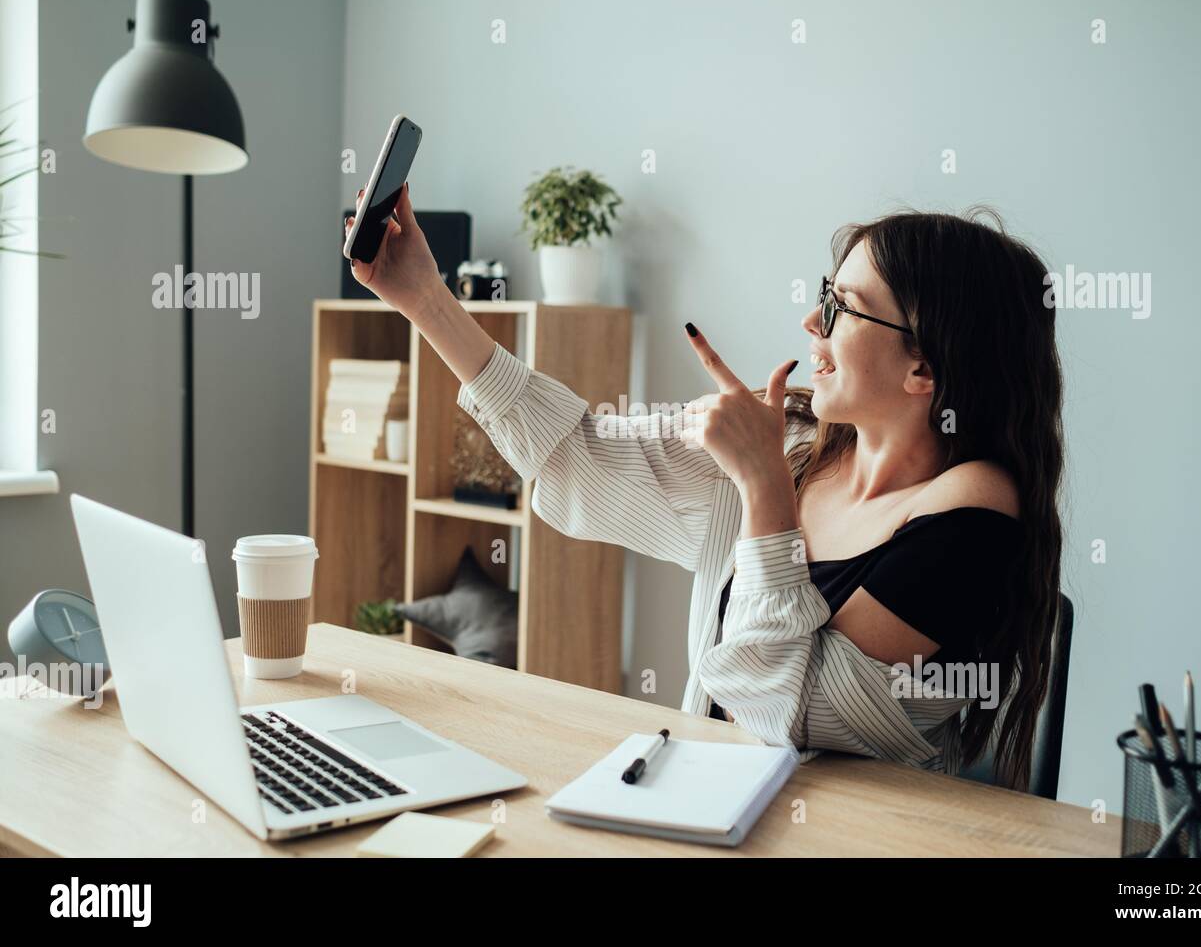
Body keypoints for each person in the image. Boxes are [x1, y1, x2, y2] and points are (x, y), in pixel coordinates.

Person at [345, 185, 1064, 789]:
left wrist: (761, 486)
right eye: (824, 294)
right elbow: (580, 456)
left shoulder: (975, 514)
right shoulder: (791, 441)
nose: (813, 321)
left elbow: (777, 708)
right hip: (712, 807)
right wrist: (423, 297)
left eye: (844, 306)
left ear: (925, 370)